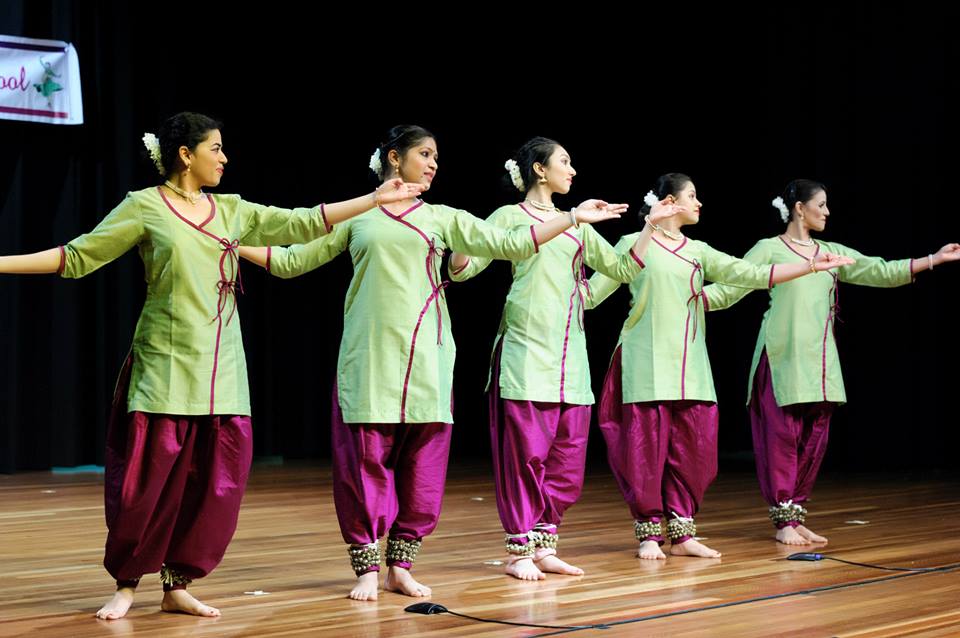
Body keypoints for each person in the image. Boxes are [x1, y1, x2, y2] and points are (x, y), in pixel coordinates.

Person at [0, 111, 424, 620]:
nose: (224, 158)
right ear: (186, 155)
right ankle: (128, 582)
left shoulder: (232, 210)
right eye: (216, 148)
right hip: (165, 366)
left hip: (224, 373)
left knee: (213, 491)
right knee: (145, 488)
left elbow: (301, 221)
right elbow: (76, 256)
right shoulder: (145, 207)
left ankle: (177, 584)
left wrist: (372, 200)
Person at [587, 173, 853, 560]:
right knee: (643, 452)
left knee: (694, 453)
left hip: (691, 365)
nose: (699, 203)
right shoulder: (633, 243)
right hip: (645, 361)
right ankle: (649, 532)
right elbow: (594, 293)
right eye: (692, 196)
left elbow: (753, 275)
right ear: (670, 202)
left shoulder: (699, 251)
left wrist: (811, 266)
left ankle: (682, 533)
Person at [703, 179, 960, 545]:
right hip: (782, 356)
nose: (827, 211)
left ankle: (795, 514)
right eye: (820, 204)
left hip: (820, 362)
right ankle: (783, 521)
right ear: (799, 208)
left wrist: (932, 259)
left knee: (813, 440)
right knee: (780, 439)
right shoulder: (769, 249)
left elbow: (878, 271)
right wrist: (692, 299)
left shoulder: (831, 251)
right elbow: (734, 284)